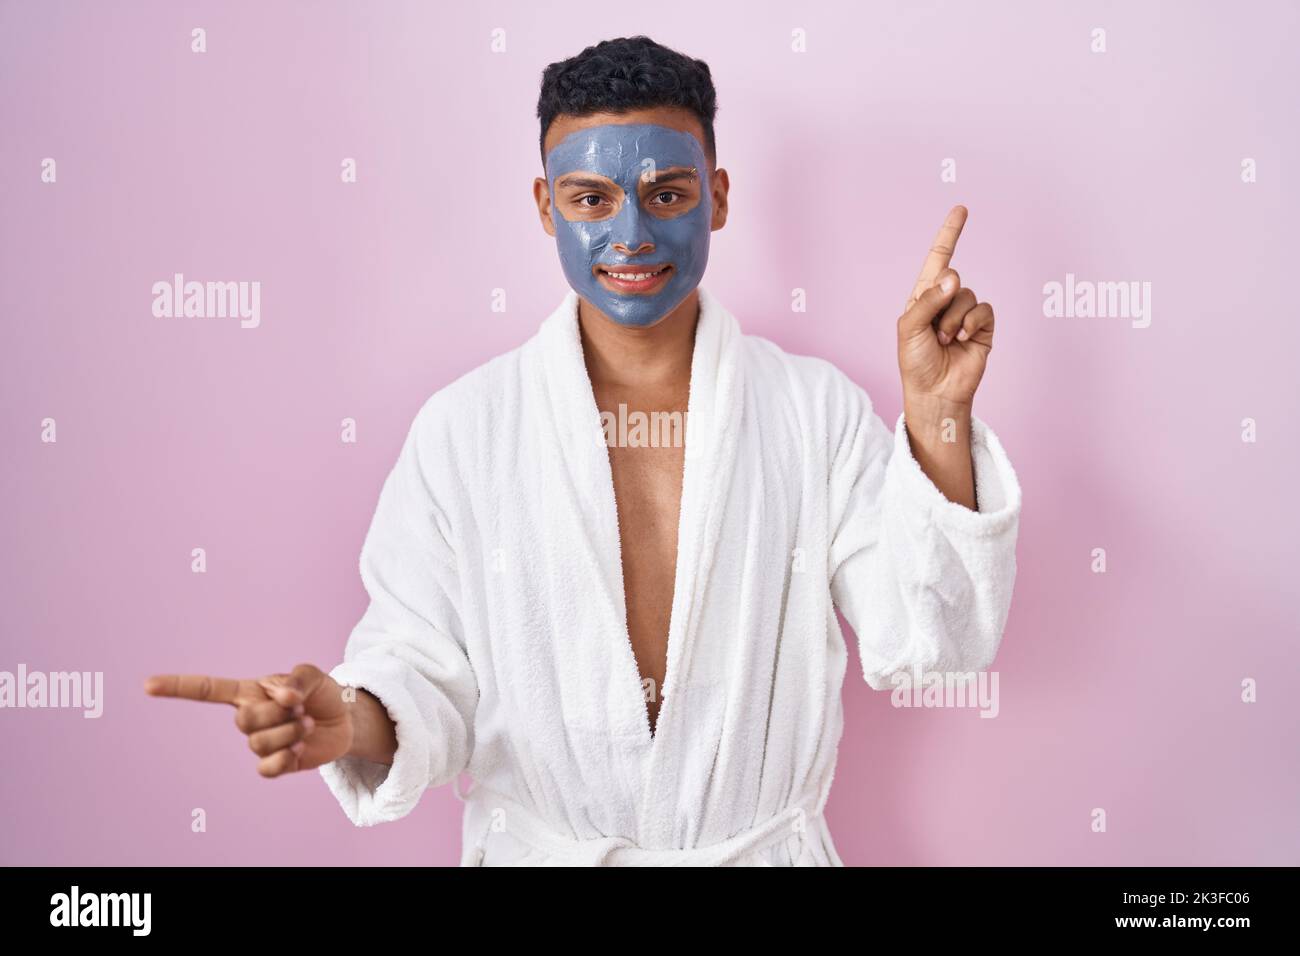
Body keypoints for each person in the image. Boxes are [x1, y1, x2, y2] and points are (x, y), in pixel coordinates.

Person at [145, 35, 1021, 866]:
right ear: (546, 206)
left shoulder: (811, 412)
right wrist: (347, 717)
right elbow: (417, 672)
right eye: (591, 200)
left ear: (718, 197)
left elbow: (934, 641)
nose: (631, 234)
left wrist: (937, 416)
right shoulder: (467, 430)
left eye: (667, 194)